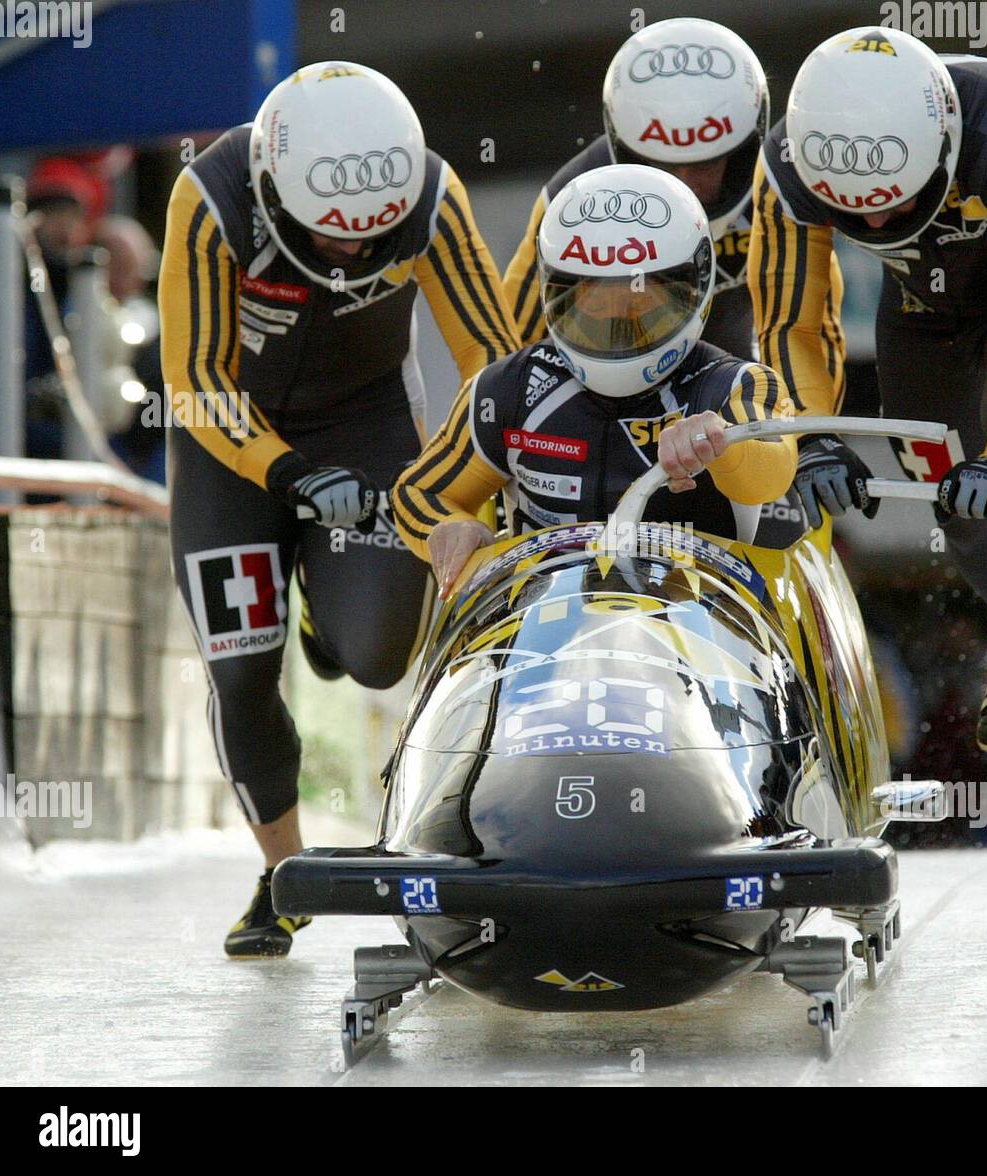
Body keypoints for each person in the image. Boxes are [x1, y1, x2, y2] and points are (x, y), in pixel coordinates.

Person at [158, 61, 519, 957]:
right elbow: (194, 379)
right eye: (329, 239)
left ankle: (330, 602)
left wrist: (480, 472)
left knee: (377, 657)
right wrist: (284, 475)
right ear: (277, 191)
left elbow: (492, 355)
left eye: (372, 238)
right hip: (230, 446)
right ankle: (280, 878)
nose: (351, 256)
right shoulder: (210, 196)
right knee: (241, 668)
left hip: (365, 427)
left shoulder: (433, 196)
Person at [748, 26, 987, 760]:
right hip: (926, 307)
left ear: (944, 143)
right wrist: (810, 437)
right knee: (949, 495)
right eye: (853, 212)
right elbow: (791, 321)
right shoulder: (787, 163)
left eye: (895, 201)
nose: (876, 224)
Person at [392, 165, 798, 589]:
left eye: (641, 307)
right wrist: (448, 526)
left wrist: (719, 441)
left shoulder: (737, 385)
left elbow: (772, 471)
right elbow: (419, 492)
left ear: (694, 285)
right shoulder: (507, 390)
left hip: (692, 625)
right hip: (551, 635)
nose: (615, 329)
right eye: (594, 307)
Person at [503, 17, 844, 379]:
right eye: (663, 167)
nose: (686, 186)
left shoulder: (780, 189)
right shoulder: (571, 200)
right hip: (617, 376)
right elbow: (511, 348)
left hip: (731, 357)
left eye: (705, 164)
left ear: (743, 149)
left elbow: (813, 334)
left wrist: (800, 432)